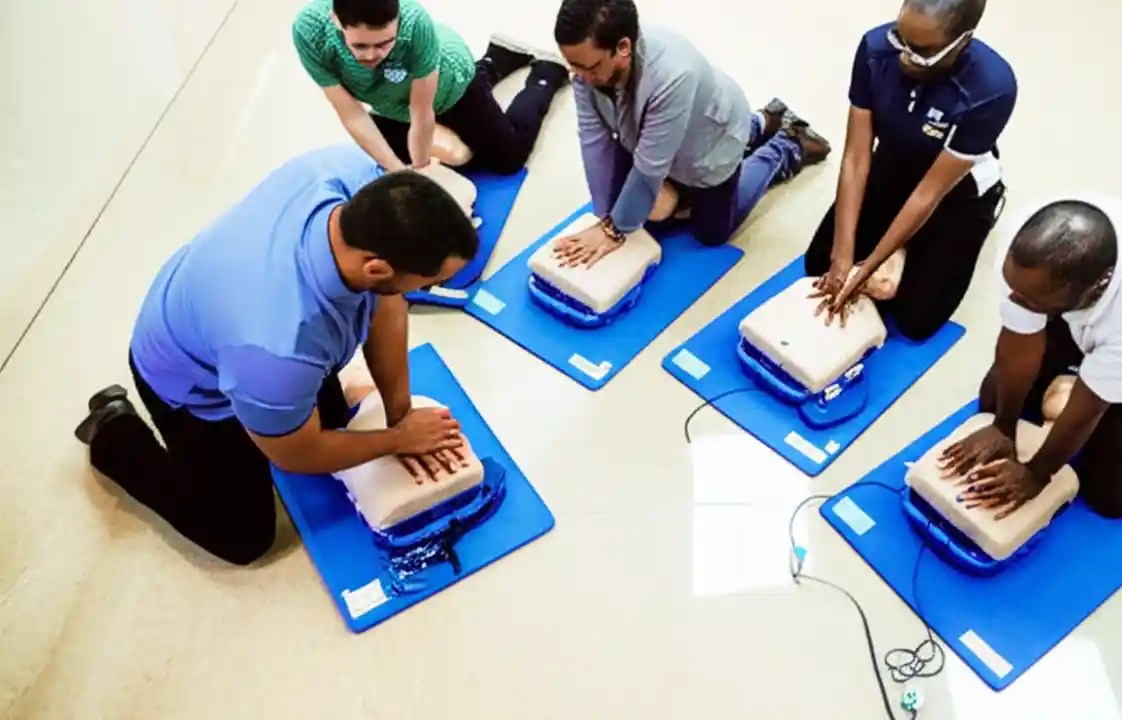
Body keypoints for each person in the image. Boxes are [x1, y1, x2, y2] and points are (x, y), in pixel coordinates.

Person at [73, 145, 480, 566]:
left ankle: (279, 417)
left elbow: (387, 305)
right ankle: (113, 433)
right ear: (375, 268)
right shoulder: (278, 351)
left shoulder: (350, 173)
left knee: (335, 424)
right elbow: (295, 455)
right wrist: (396, 440)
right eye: (428, 280)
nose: (427, 288)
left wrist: (401, 413)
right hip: (190, 380)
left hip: (219, 315)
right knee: (243, 536)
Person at [940, 196, 1122, 520]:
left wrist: (1037, 473)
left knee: (1113, 498)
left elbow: (1091, 404)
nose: (1015, 299)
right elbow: (1019, 337)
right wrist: (1003, 426)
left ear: (1096, 287)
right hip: (1065, 313)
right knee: (992, 403)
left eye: (1028, 300)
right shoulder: (1027, 251)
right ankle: (1061, 363)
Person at [549, 0, 832, 267]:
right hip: (647, 134)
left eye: (590, 67)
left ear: (623, 47)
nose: (580, 77)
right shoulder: (586, 69)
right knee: (640, 215)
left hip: (710, 146)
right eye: (573, 66)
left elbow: (650, 167)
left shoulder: (673, 74)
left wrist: (611, 230)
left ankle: (786, 146)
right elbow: (593, 141)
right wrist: (604, 216)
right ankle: (761, 121)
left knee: (710, 234)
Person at [807, 0, 1015, 340]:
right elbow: (857, 157)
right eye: (900, 38)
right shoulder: (876, 48)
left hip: (953, 191)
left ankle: (920, 244)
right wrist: (843, 258)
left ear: (962, 40)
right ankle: (893, 248)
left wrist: (869, 267)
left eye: (919, 50)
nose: (904, 56)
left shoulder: (991, 88)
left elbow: (929, 193)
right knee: (819, 264)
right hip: (894, 163)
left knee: (915, 320)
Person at [293, 0, 569, 175]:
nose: (371, 55)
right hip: (389, 102)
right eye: (361, 46)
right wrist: (398, 171)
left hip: (447, 85)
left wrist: (422, 168)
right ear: (336, 20)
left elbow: (421, 111)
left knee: (507, 160)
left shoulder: (416, 24)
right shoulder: (309, 31)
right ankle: (496, 59)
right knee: (447, 157)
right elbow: (351, 113)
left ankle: (546, 73)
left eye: (384, 43)